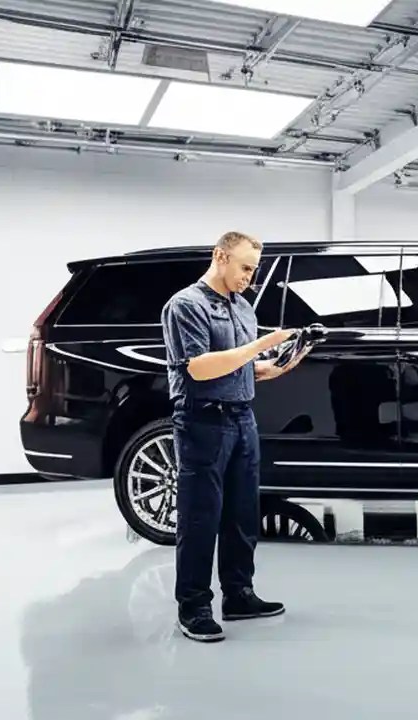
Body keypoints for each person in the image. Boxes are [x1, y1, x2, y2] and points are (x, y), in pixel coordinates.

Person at [160, 230, 311, 643]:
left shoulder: (243, 308)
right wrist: (261, 343)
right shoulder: (185, 306)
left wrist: (278, 365)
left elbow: (242, 368)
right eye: (244, 267)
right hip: (202, 422)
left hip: (243, 419)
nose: (249, 276)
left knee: (243, 514)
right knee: (200, 517)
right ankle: (193, 606)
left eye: (254, 269)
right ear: (219, 256)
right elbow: (199, 369)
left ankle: (239, 594)